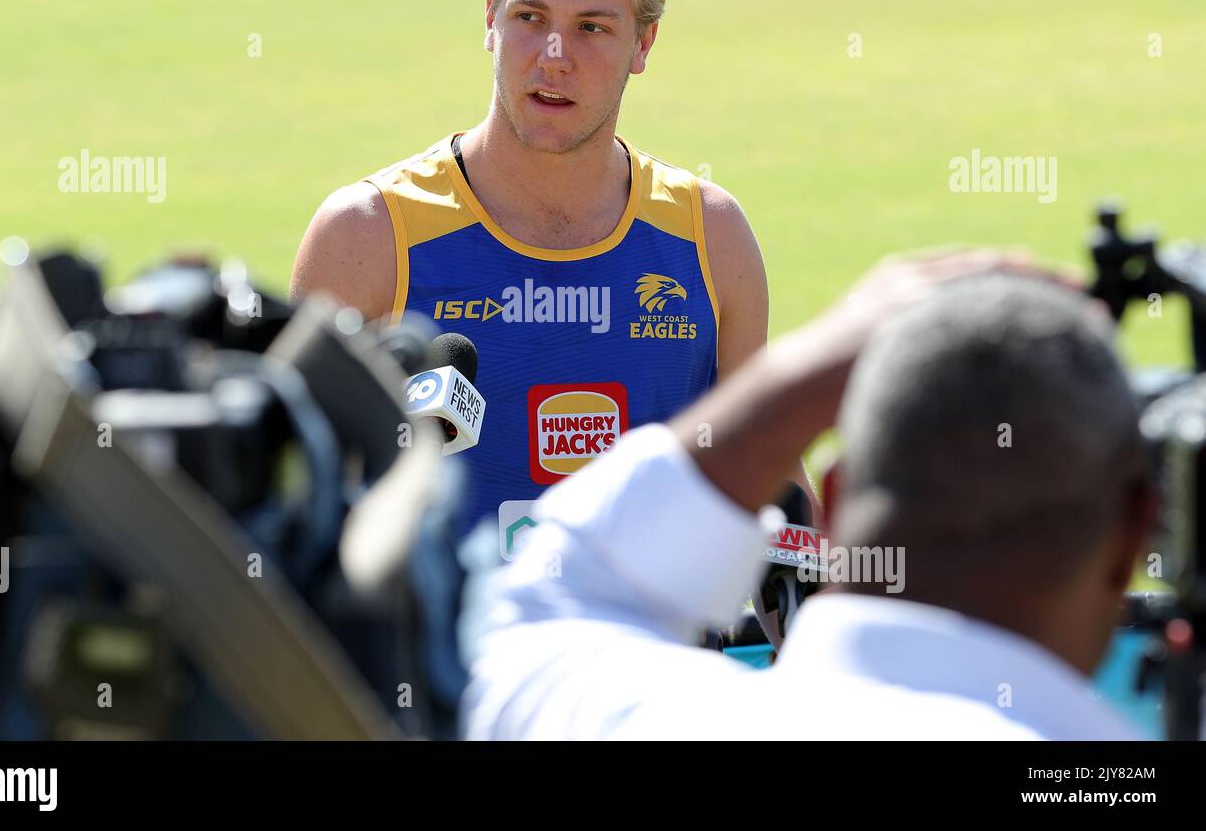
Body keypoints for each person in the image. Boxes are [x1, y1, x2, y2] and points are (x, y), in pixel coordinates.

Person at [290, 0, 813, 549]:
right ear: (489, 19)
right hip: (446, 651)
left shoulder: (710, 235)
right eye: (530, 17)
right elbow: (298, 497)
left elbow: (768, 479)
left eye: (591, 27)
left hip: (649, 650)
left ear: (645, 44)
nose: (554, 57)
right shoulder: (366, 236)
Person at [462, 251, 1157, 739]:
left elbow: (557, 599)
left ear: (832, 494)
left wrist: (809, 365)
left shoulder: (629, 718)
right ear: (1136, 536)